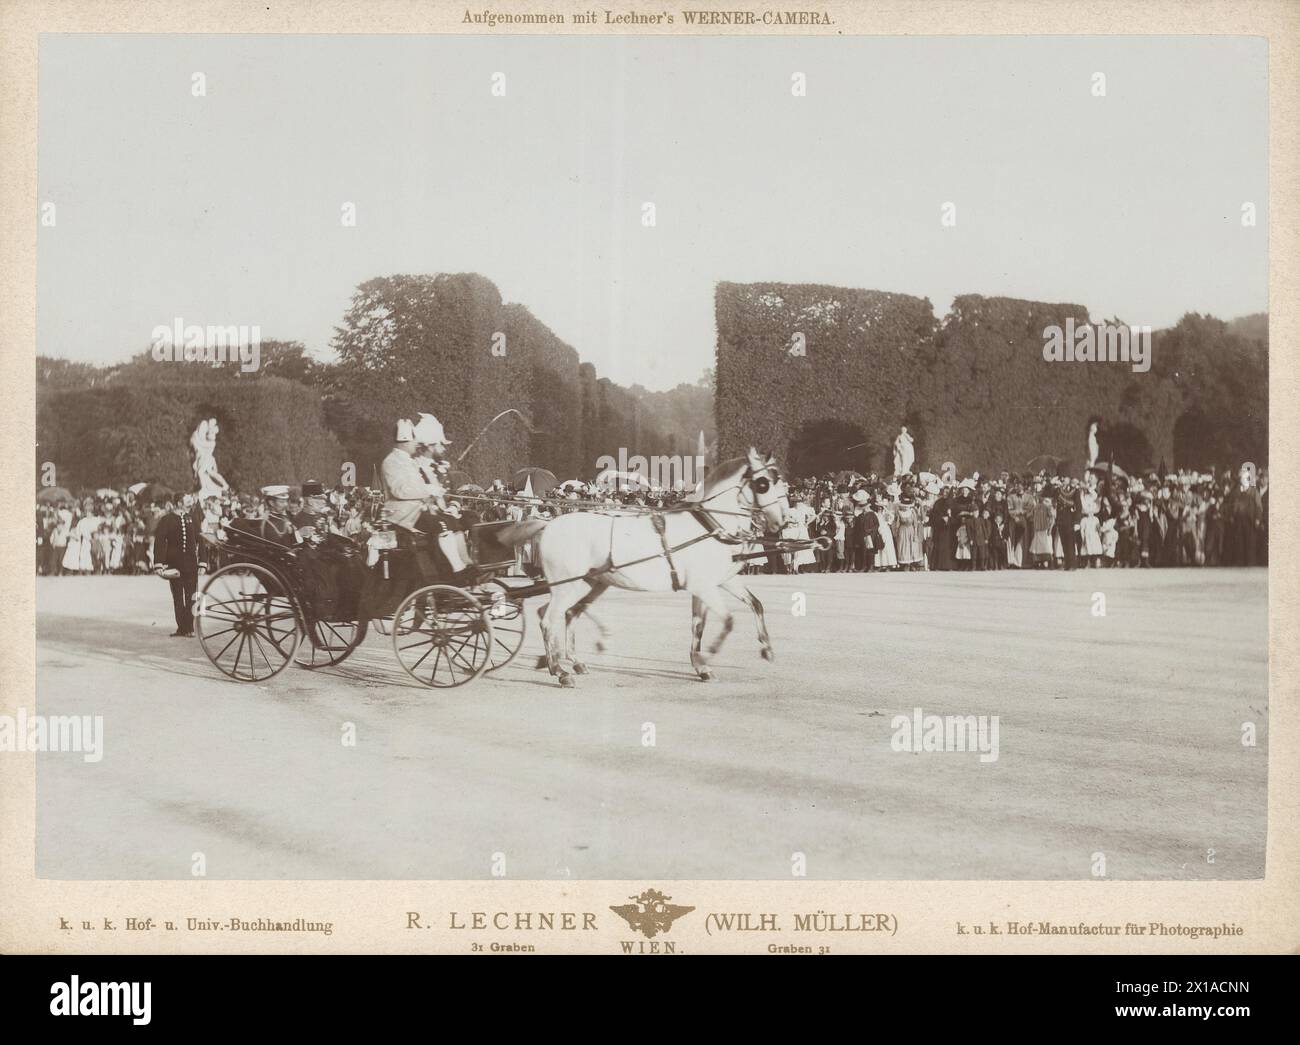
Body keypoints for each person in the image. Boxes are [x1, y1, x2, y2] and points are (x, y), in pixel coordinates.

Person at [153, 497, 200, 637]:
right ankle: (181, 628)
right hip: (175, 564)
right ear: (179, 503)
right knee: (178, 597)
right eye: (186, 501)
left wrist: (203, 561)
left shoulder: (192, 518)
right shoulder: (166, 520)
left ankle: (190, 628)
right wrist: (158, 563)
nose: (190, 503)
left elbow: (201, 540)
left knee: (192, 596)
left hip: (191, 565)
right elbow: (159, 541)